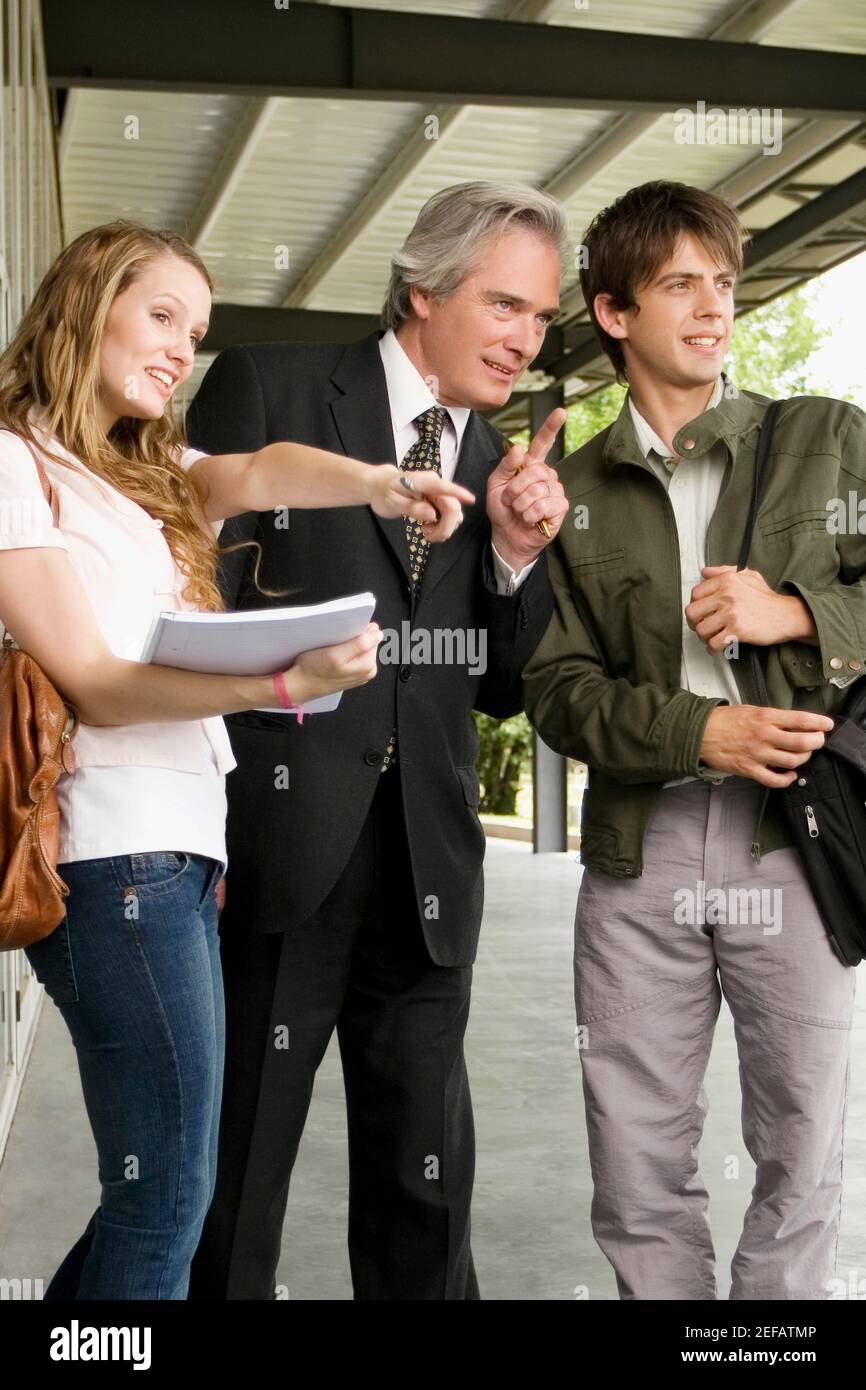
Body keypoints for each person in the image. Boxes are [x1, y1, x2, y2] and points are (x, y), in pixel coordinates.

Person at [0, 219, 472, 1300]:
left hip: (178, 858)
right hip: (108, 857)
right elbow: (98, 685)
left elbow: (259, 468)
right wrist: (279, 684)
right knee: (167, 1195)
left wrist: (378, 483)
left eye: (197, 330)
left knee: (165, 1186)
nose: (181, 348)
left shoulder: (144, 467)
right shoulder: (15, 464)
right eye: (161, 315)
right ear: (86, 303)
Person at [185, 180, 571, 1300]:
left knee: (424, 1184)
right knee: (235, 1173)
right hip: (278, 847)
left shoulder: (498, 459)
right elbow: (190, 607)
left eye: (540, 318)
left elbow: (497, 689)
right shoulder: (274, 386)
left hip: (427, 867)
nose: (524, 339)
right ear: (420, 290)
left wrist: (509, 557)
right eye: (504, 306)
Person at [523, 180, 863, 1300]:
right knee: (636, 1166)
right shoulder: (566, 494)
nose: (713, 306)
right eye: (680, 284)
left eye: (722, 282)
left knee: (802, 1147)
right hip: (638, 848)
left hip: (794, 842)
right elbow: (557, 693)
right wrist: (697, 729)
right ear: (613, 312)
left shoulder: (823, 439)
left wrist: (799, 610)